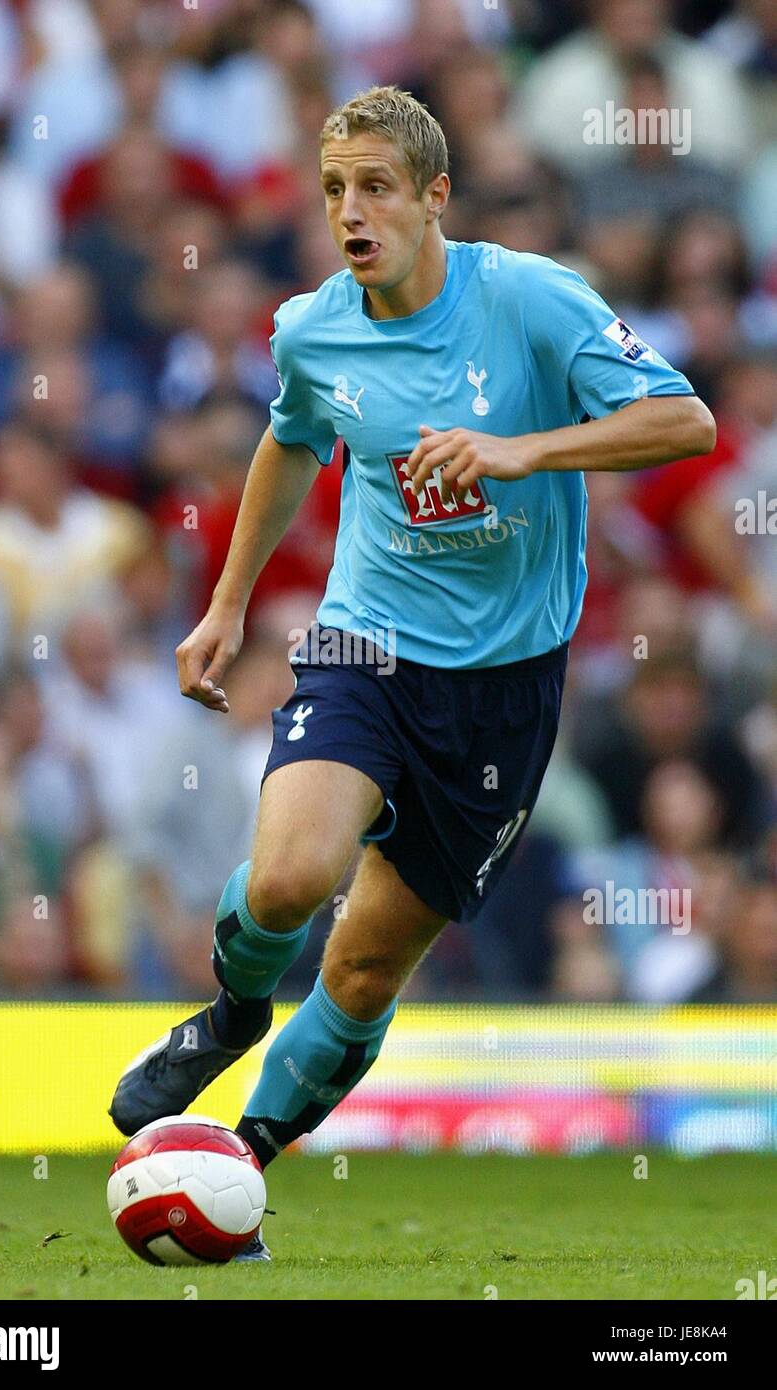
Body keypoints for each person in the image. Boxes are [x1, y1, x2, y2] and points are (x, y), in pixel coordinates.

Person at [109, 86, 715, 1259]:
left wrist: (522, 449)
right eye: (334, 187)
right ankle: (229, 1011)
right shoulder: (309, 329)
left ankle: (237, 1160)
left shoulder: (529, 300)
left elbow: (681, 423)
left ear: (435, 196)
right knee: (287, 880)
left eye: (376, 185)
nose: (351, 209)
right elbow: (291, 436)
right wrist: (227, 601)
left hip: (503, 684)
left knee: (365, 963)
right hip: (363, 644)